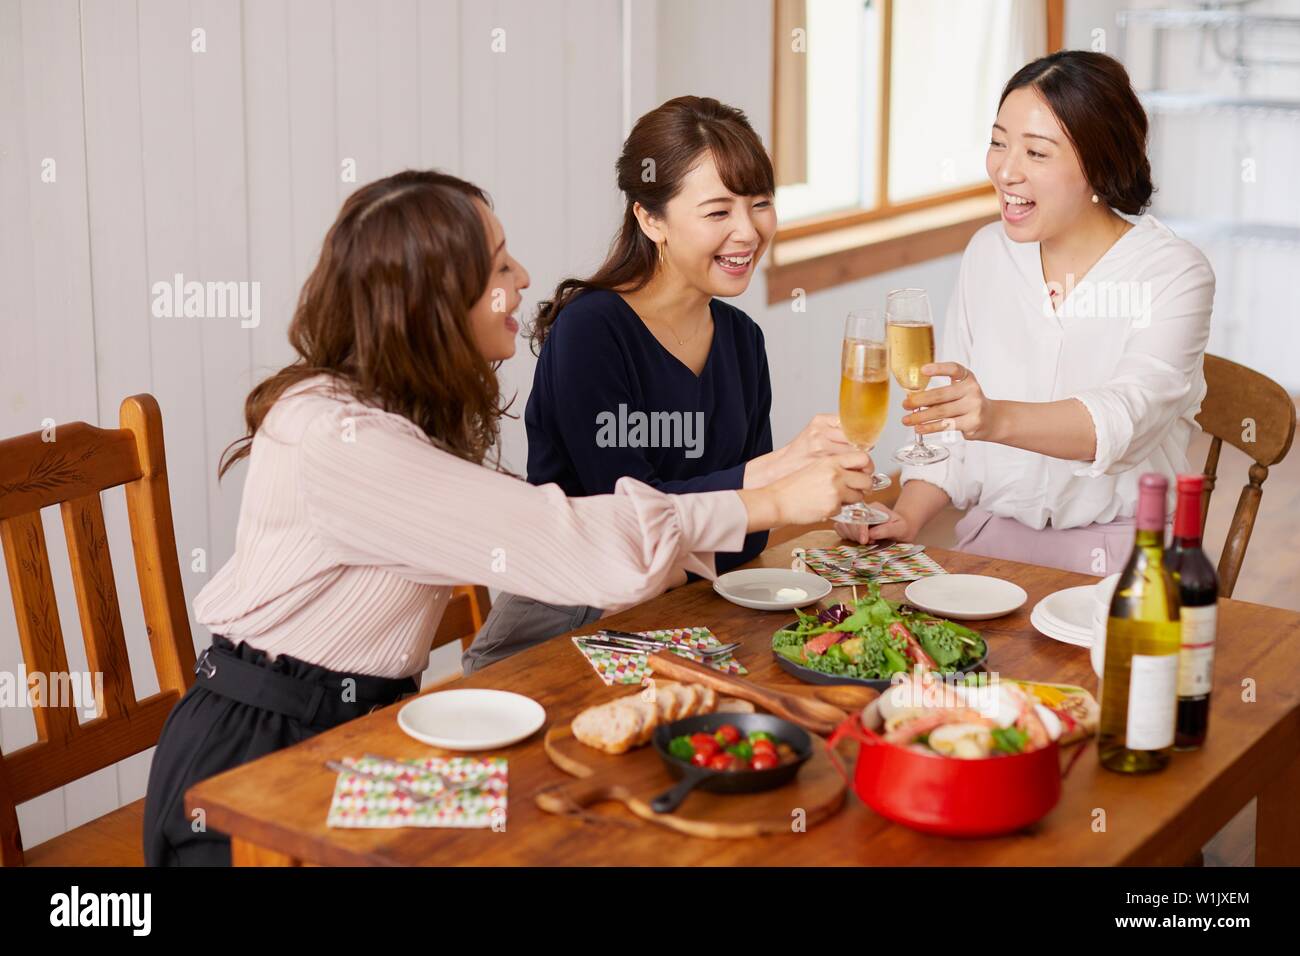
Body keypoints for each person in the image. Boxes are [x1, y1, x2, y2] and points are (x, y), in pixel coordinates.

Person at [142, 170, 873, 865]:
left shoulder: (390, 412)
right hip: (252, 769)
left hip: (365, 732)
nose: (522, 276)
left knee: (576, 818)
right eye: (497, 268)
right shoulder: (342, 442)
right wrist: (770, 504)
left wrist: (773, 475)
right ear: (432, 304)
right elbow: (572, 539)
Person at [465, 96, 852, 672]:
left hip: (688, 615)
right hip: (569, 626)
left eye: (761, 204)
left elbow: (744, 539)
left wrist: (781, 478)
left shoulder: (742, 341)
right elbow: (630, 525)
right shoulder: (591, 331)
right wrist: (773, 484)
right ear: (651, 220)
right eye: (718, 212)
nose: (747, 232)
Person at [839, 51, 1214, 577]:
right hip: (992, 550)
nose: (1005, 170)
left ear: (1098, 164)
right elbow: (950, 431)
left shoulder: (1174, 273)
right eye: (998, 142)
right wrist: (905, 515)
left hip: (1123, 565)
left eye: (1037, 152)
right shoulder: (989, 253)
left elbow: (1126, 420)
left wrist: (994, 418)